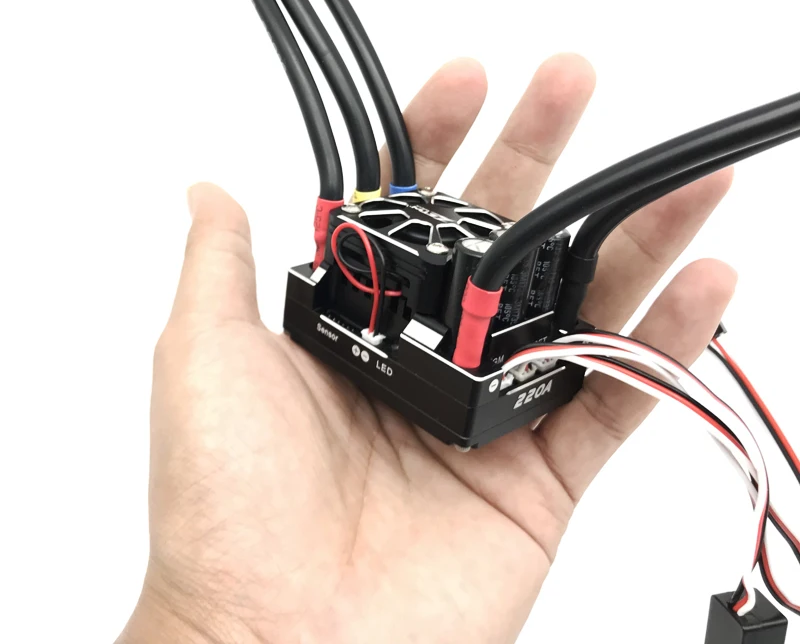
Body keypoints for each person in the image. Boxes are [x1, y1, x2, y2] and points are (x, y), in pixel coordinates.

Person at [116, 53, 736, 644]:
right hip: (448, 349)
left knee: (503, 250)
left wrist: (210, 628)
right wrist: (214, 625)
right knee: (491, 248)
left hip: (473, 351)